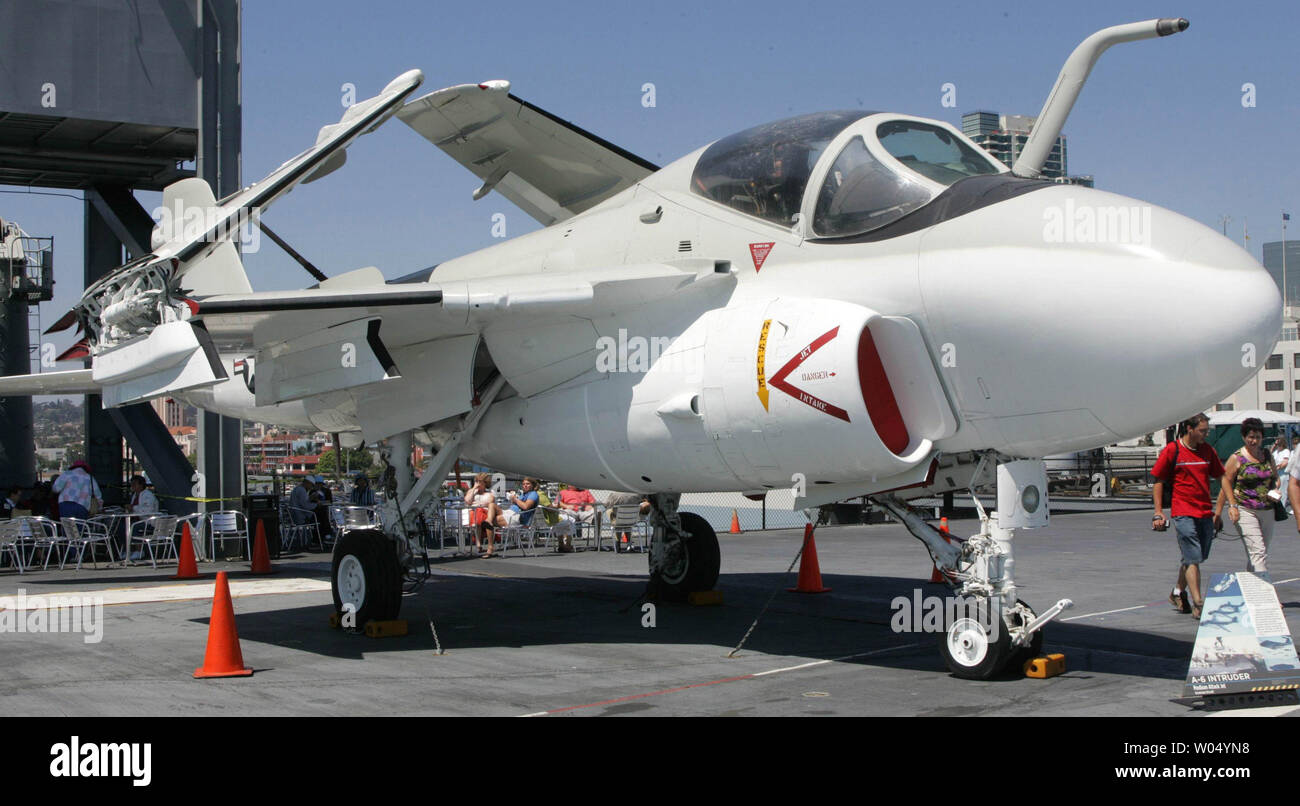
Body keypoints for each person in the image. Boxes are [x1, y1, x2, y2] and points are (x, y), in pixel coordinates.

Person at [1152, 413, 1233, 619]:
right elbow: (1159, 481)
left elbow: (1221, 476)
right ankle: (1198, 602)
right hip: (1183, 512)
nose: (1206, 434)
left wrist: (1230, 505)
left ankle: (1178, 591)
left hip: (1204, 511)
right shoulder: (1174, 450)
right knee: (1193, 558)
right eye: (1202, 431)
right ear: (1190, 429)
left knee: (1196, 557)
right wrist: (1158, 512)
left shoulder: (1207, 451)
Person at [1214, 418, 1277, 579]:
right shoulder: (1237, 458)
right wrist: (1219, 512)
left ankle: (1251, 590)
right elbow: (1225, 484)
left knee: (1257, 553)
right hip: (1245, 509)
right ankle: (1265, 593)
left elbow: (1275, 478)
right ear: (1243, 437)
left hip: (1267, 510)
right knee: (1258, 551)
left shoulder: (1267, 455)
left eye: (1257, 437)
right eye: (1250, 437)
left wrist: (1276, 489)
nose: (1254, 441)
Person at [463, 473, 497, 556]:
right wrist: (474, 489)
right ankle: (479, 544)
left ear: (485, 483)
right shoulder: (472, 492)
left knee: (478, 514)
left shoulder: (490, 493)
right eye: (476, 481)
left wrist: (477, 504)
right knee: (476, 514)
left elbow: (489, 503)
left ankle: (478, 544)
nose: (478, 483)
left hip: (485, 514)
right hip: (474, 514)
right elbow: (467, 501)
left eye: (480, 482)